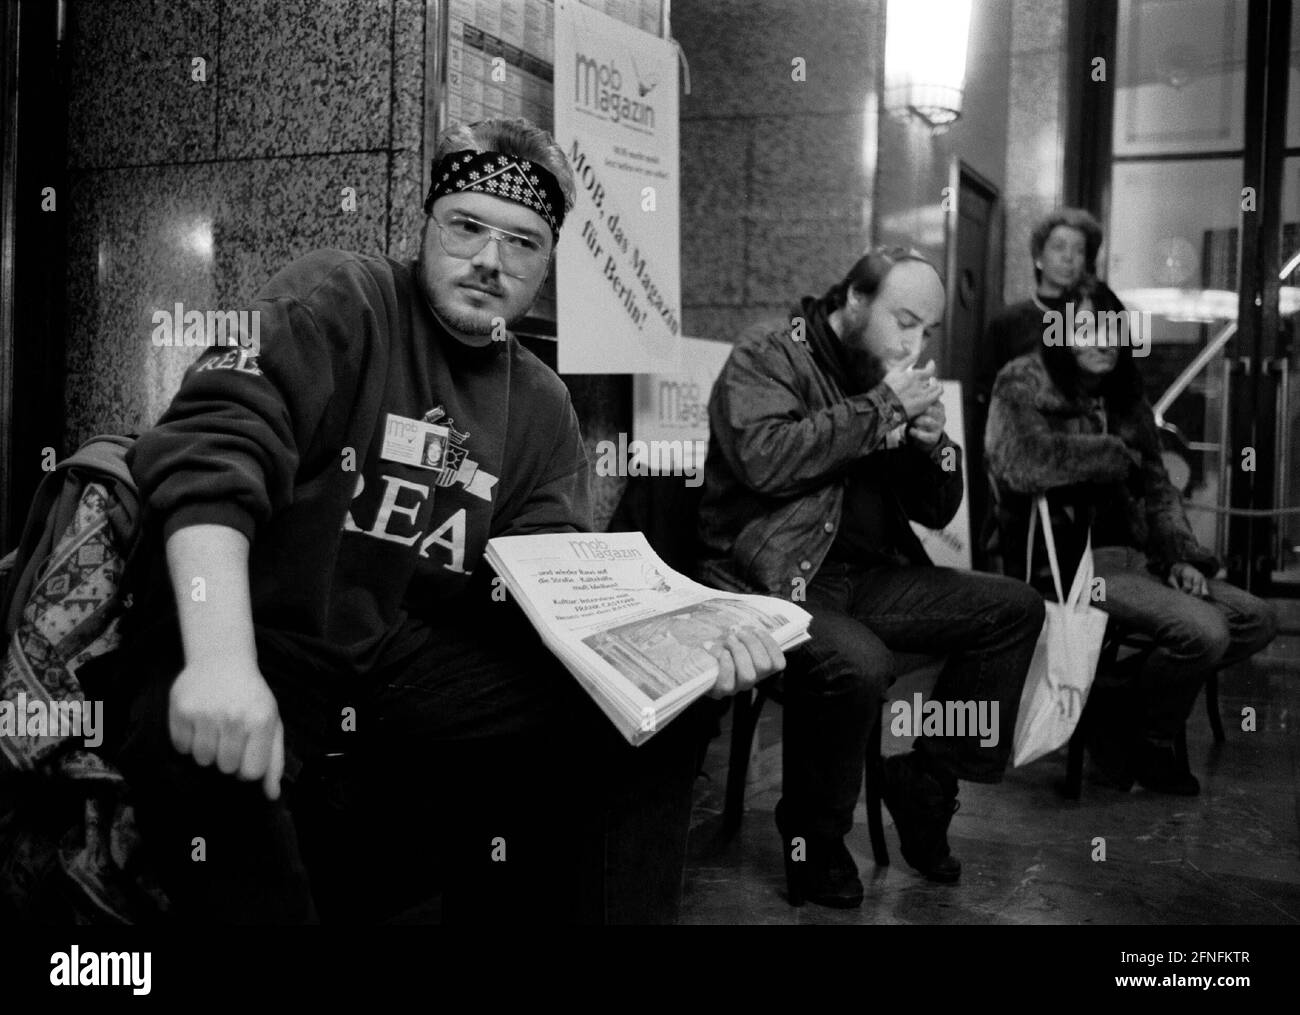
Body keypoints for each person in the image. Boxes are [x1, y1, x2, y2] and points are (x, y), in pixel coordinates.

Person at [114, 116, 784, 924]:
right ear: (427, 225)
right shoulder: (341, 297)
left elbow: (549, 588)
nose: (490, 261)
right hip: (248, 629)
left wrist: (683, 652)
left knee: (656, 710)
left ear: (546, 264)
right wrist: (221, 662)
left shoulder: (541, 403)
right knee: (211, 771)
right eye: (467, 226)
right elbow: (209, 454)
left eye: (523, 242)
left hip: (394, 656)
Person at [697, 246, 1045, 907]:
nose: (913, 342)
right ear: (853, 301)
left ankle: (925, 777)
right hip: (774, 580)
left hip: (871, 576)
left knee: (1015, 607)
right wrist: (883, 408)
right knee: (857, 662)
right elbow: (766, 458)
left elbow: (938, 508)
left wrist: (932, 447)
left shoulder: (886, 373)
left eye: (926, 330)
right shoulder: (768, 353)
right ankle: (814, 836)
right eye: (904, 320)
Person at [985, 282, 1278, 796]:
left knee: (1256, 619)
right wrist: (1110, 455)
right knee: (1205, 632)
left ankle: (1114, 703)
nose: (1101, 341)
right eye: (1085, 328)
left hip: (1140, 560)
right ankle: (1154, 740)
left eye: (1110, 328)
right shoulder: (1024, 381)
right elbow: (1019, 463)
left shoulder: (1126, 394)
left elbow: (1158, 488)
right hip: (1075, 567)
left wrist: (1179, 556)